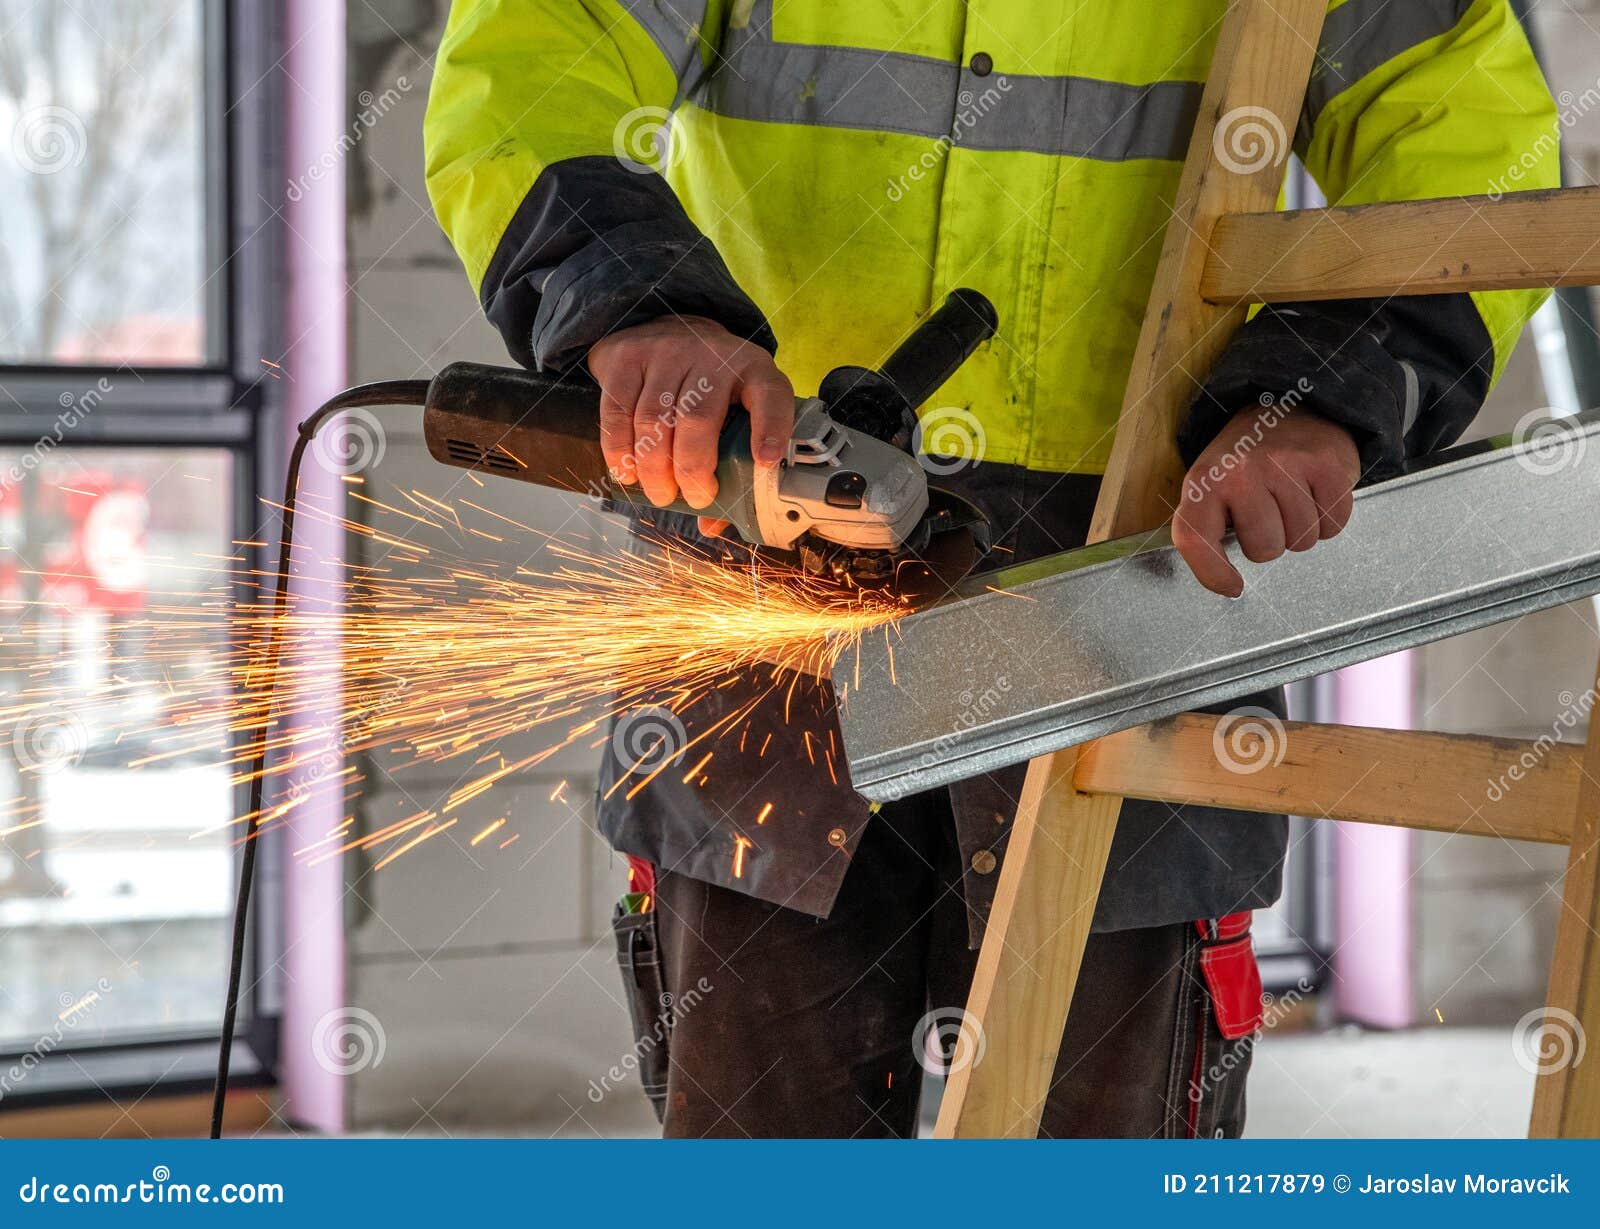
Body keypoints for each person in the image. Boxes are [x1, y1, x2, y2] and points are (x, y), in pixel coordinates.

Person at [425, 0, 1557, 1136]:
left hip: (1132, 583)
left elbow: (1472, 147)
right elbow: (531, 50)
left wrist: (1325, 394)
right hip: (771, 549)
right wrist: (636, 305)